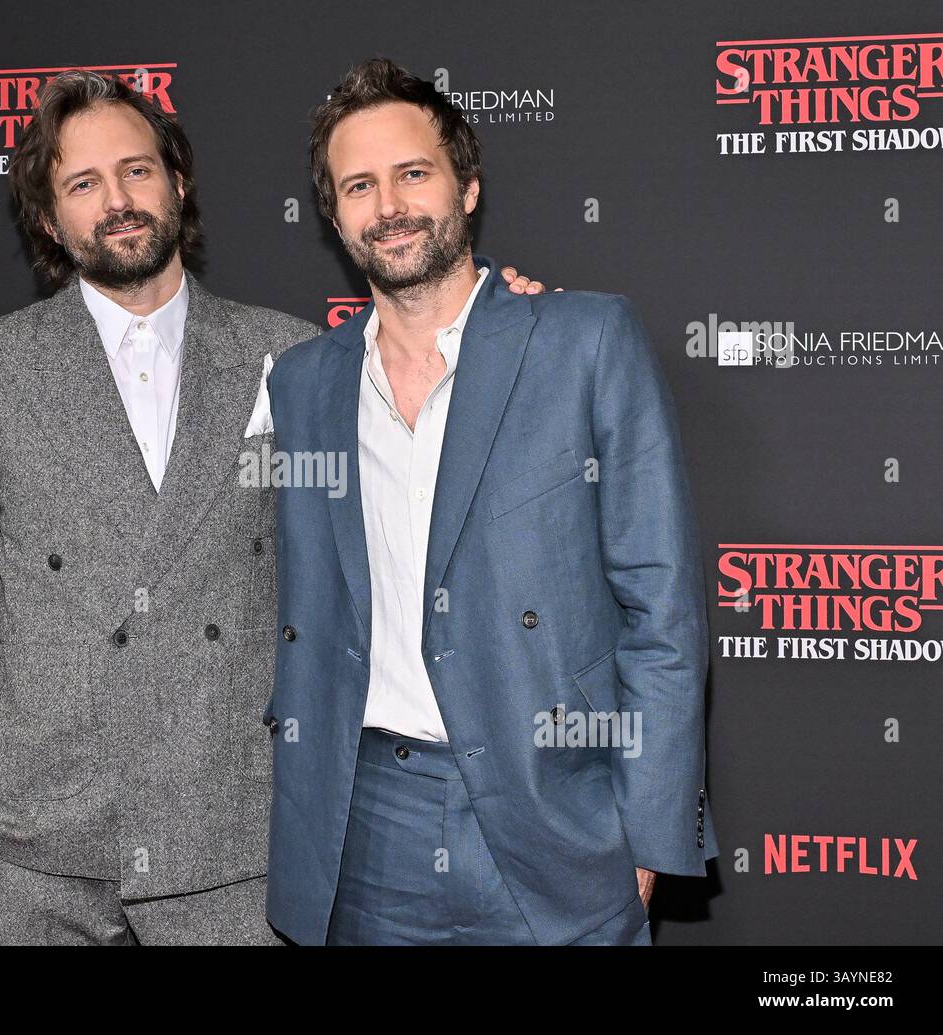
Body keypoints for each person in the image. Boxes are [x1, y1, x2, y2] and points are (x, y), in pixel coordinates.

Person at [0, 68, 546, 944]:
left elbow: (409, 463)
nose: (117, 201)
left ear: (177, 181)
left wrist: (504, 318)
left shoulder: (291, 356)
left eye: (136, 170)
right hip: (29, 846)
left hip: (233, 835)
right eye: (83, 184)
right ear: (49, 219)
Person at [264, 58, 718, 945]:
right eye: (359, 185)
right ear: (335, 215)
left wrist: (650, 829)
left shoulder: (583, 341)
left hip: (560, 813)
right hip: (366, 825)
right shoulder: (302, 384)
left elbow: (661, 606)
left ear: (467, 187)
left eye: (413, 173)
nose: (389, 205)